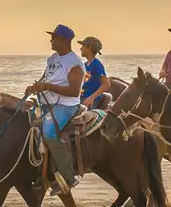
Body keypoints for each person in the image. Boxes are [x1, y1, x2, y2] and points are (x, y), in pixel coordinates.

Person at [26, 25, 85, 191]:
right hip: (46, 103)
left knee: (50, 133)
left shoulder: (75, 64)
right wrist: (35, 86)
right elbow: (46, 78)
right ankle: (41, 173)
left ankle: (68, 176)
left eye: (54, 37)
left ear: (64, 40)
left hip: (66, 105)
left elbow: (74, 92)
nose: (51, 40)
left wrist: (46, 86)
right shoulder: (52, 58)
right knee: (27, 126)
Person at [78, 37, 111, 109]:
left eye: (83, 46)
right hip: (81, 98)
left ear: (89, 47)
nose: (80, 49)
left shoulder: (96, 64)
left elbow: (106, 84)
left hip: (90, 101)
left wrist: (91, 98)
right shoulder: (85, 65)